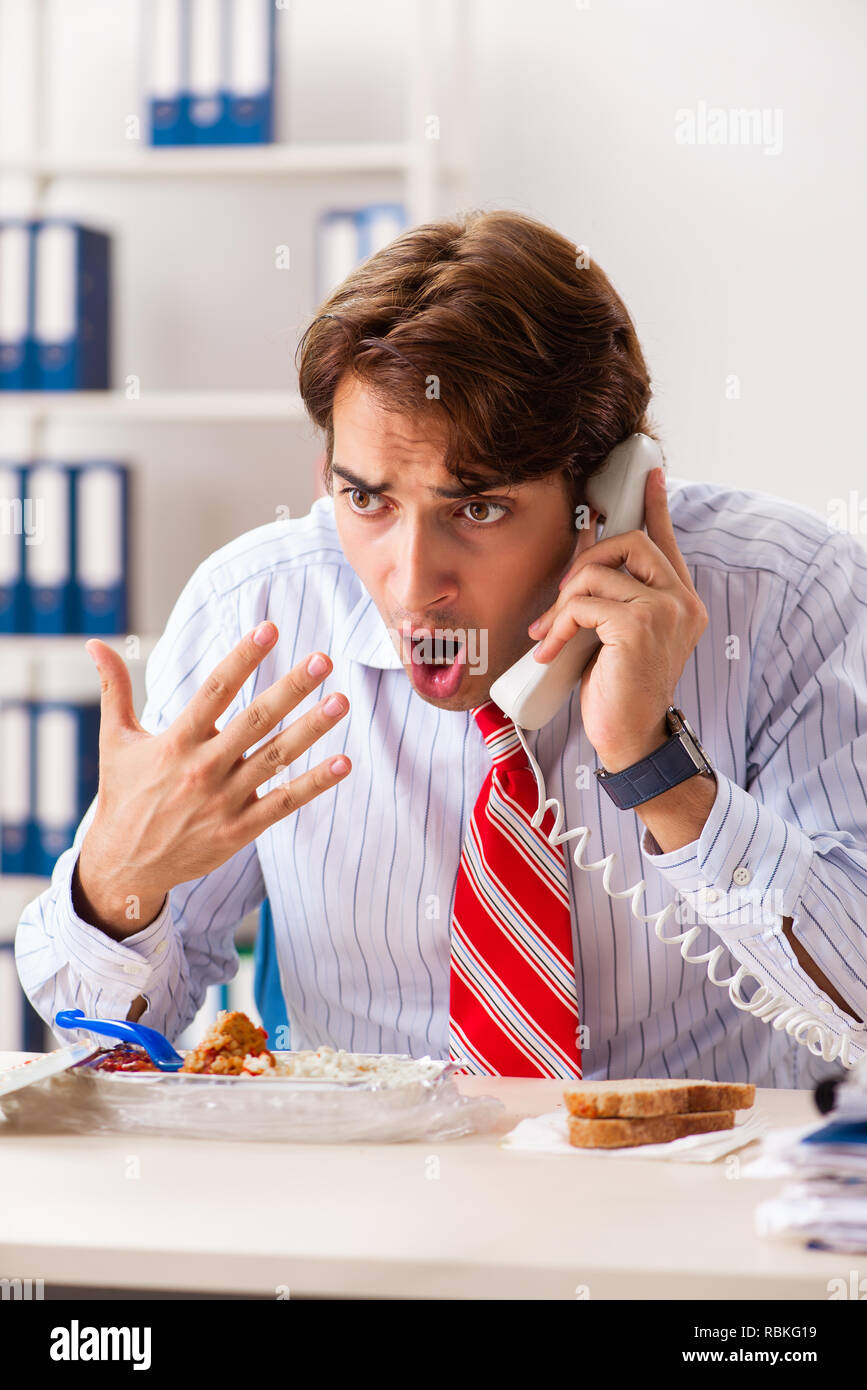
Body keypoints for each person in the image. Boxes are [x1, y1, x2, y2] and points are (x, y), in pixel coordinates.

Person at [16, 209, 867, 1087]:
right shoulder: (258, 610)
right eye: (367, 500)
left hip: (691, 1188)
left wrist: (655, 767)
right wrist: (119, 883)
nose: (412, 581)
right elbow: (95, 1045)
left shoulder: (785, 596)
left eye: (478, 509)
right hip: (365, 1196)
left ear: (605, 498)